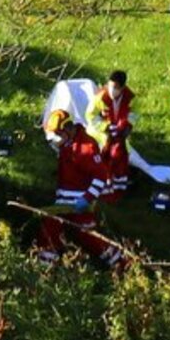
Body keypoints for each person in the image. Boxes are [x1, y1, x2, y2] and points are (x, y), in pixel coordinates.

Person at [35, 110, 128, 261]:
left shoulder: (86, 148)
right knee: (50, 228)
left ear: (68, 129)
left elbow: (101, 176)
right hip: (63, 203)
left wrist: (87, 198)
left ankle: (121, 263)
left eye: (58, 134)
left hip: (80, 203)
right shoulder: (68, 143)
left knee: (88, 236)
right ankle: (46, 263)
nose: (56, 140)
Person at [84, 70, 135, 154]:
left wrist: (127, 127)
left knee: (125, 149)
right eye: (110, 86)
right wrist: (106, 127)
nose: (111, 90)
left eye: (115, 87)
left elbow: (133, 114)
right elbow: (90, 115)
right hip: (99, 129)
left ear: (122, 87)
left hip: (119, 131)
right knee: (107, 142)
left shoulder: (129, 98)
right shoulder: (101, 97)